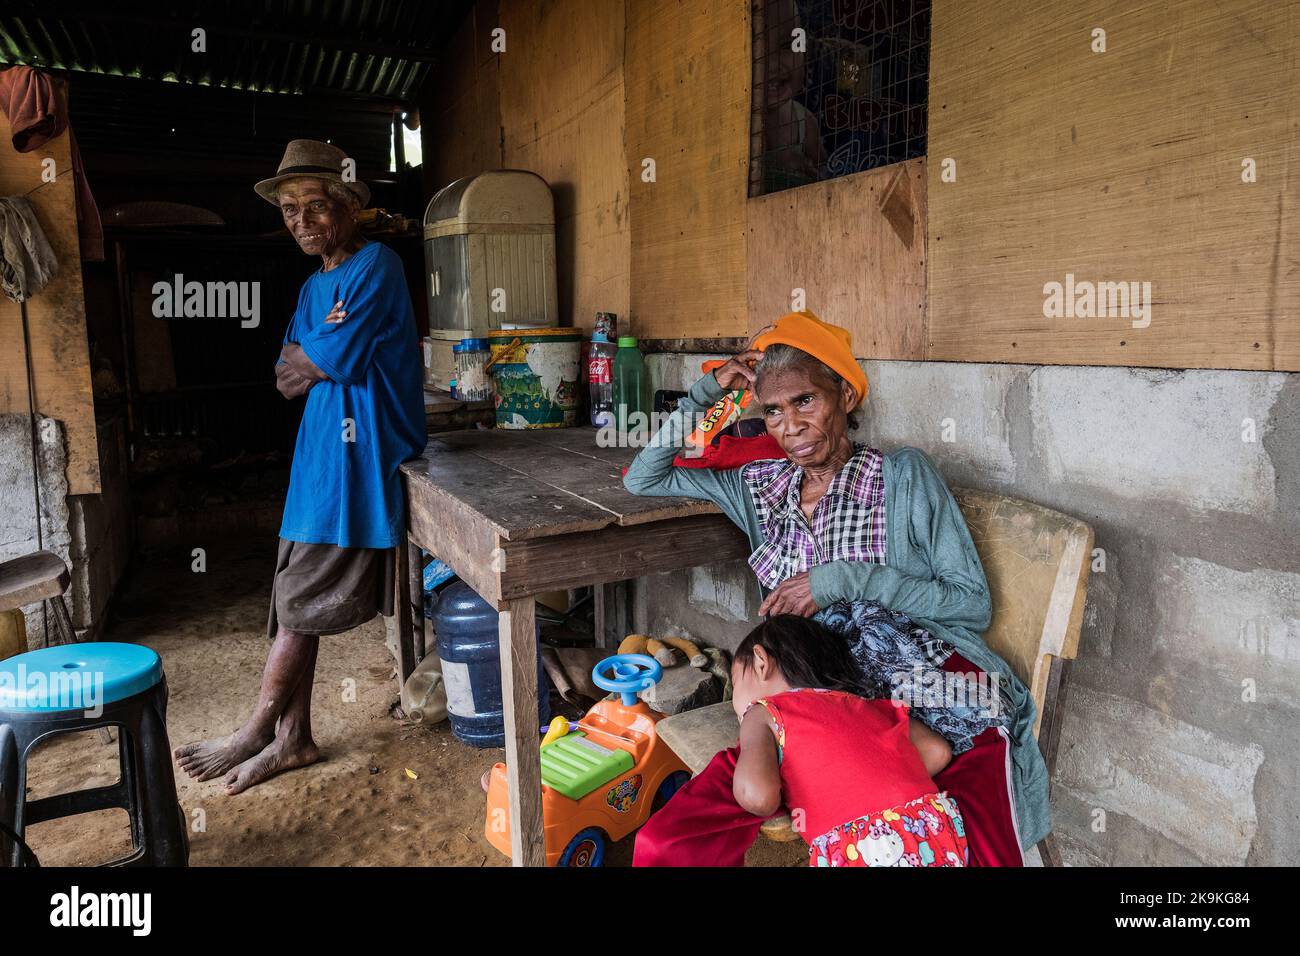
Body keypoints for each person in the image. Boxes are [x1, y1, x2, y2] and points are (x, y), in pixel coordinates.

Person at [626, 310, 1047, 865]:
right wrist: (708, 391)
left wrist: (839, 581)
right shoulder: (760, 487)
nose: (789, 425)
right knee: (669, 841)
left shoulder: (901, 475)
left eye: (805, 401)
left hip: (908, 690)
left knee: (950, 834)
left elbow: (969, 603)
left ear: (845, 395)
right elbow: (643, 476)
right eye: (772, 410)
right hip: (805, 703)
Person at [174, 139, 425, 795]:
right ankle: (294, 739)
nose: (303, 223)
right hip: (317, 464)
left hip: (357, 463)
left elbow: (323, 362)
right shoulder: (317, 286)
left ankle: (259, 729)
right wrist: (316, 353)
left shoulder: (379, 266)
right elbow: (287, 374)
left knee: (295, 605)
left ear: (347, 205)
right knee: (291, 600)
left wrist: (317, 355)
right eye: (290, 211)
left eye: (316, 206)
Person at [728, 615, 969, 867]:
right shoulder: (870, 705)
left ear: (760, 662)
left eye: (735, 683)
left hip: (861, 849)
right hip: (931, 830)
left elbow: (757, 796)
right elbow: (937, 751)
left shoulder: (763, 711)